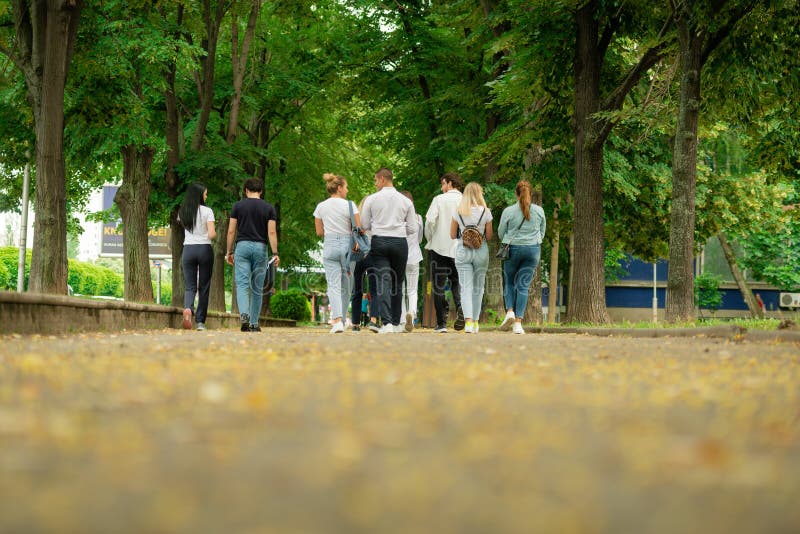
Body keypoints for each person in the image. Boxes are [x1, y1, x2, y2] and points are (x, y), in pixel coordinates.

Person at [360, 167, 416, 334]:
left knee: (383, 281)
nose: (376, 184)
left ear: (382, 179)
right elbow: (412, 228)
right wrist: (397, 230)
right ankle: (397, 322)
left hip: (380, 242)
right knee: (397, 282)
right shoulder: (406, 201)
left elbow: (364, 225)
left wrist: (380, 227)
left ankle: (387, 324)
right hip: (400, 243)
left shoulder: (371, 199)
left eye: (376, 180)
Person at [226, 178, 279, 332]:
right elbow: (272, 232)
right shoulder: (269, 208)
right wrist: (275, 253)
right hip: (261, 248)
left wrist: (229, 251)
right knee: (257, 287)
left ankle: (244, 316)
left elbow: (231, 231)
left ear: (246, 190)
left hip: (242, 247)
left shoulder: (238, 206)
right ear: (261, 191)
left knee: (242, 285)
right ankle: (254, 323)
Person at [497, 180, 546, 334]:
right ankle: (518, 324)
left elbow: (500, 232)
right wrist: (534, 242)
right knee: (523, 286)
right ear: (530, 193)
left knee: (509, 282)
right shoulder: (539, 211)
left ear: (516, 194)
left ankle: (510, 311)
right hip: (532, 250)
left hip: (512, 249)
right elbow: (542, 232)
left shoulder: (508, 211)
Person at [313, 173, 359, 334]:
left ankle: (337, 321)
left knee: (333, 285)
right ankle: (343, 318)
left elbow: (319, 231)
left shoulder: (321, 207)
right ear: (339, 188)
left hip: (330, 245)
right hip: (348, 247)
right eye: (346, 187)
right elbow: (357, 228)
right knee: (347, 285)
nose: (347, 190)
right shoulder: (350, 205)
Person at [450, 182, 493, 334]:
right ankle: (475, 322)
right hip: (481, 251)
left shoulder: (458, 211)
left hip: (463, 250)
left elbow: (452, 234)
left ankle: (467, 322)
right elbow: (489, 236)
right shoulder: (486, 212)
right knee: (478, 288)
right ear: (480, 194)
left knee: (465, 288)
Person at [425, 172, 465, 333]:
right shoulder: (465, 200)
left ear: (449, 183)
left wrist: (430, 239)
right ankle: (462, 308)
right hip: (460, 248)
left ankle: (441, 324)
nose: (442, 188)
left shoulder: (439, 200)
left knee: (438, 286)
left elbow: (430, 221)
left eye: (443, 184)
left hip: (439, 248)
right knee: (457, 282)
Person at [179, 183, 216, 331]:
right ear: (200, 195)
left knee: (190, 286)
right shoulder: (208, 211)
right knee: (204, 287)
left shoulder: (183, 211)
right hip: (204, 249)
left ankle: (188, 308)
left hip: (188, 249)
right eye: (205, 194)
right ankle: (200, 322)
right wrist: (211, 233)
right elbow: (212, 234)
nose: (206, 196)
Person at [399, 191, 423, 332]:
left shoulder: (397, 218)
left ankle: (403, 319)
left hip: (399, 257)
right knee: (412, 289)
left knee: (400, 290)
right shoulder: (418, 218)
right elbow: (420, 239)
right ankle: (411, 314)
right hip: (414, 256)